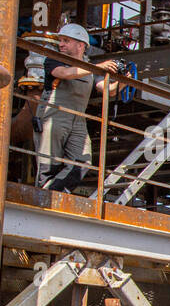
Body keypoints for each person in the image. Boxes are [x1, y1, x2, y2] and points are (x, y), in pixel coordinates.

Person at [35, 24, 121, 193]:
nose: (61, 44)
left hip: (78, 119)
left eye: (66, 40)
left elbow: (107, 90)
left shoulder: (89, 68)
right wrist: (98, 67)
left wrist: (124, 81)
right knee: (48, 162)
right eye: (60, 40)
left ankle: (55, 192)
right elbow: (66, 74)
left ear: (81, 45)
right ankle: (43, 195)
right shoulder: (53, 59)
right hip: (54, 114)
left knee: (83, 161)